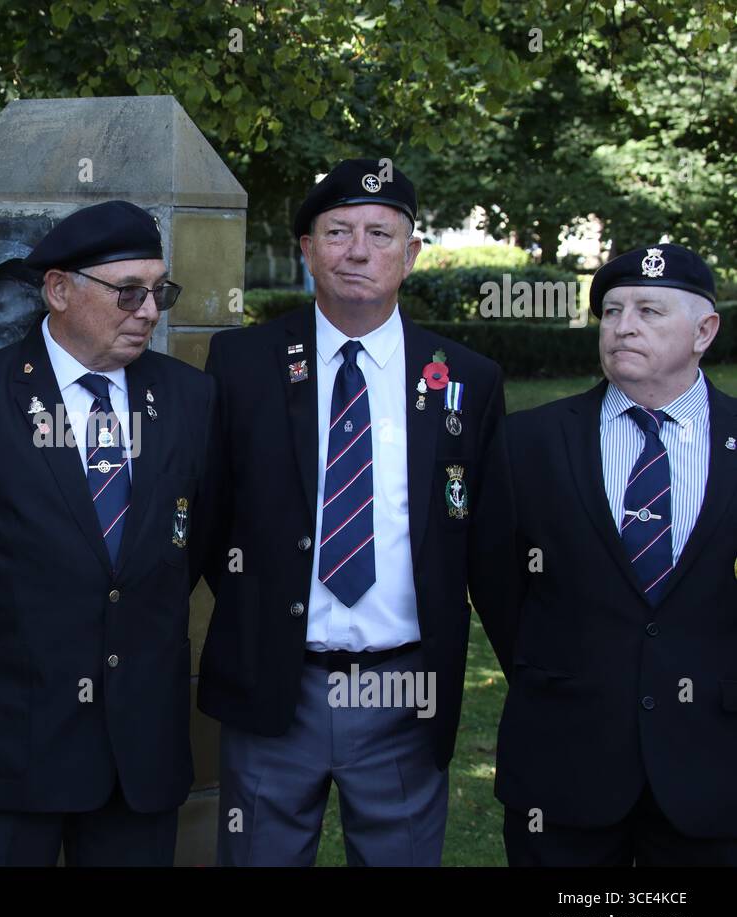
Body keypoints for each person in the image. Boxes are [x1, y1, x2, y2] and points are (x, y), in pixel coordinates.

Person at [198, 159, 506, 865]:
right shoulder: (243, 364)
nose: (357, 250)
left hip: (403, 693)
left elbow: (483, 541)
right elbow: (213, 522)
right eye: (336, 231)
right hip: (277, 687)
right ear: (307, 248)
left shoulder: (467, 378)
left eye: (379, 232)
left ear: (413, 253)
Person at [0, 200, 216, 865]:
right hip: (1, 746)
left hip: (134, 757)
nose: (148, 310)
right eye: (128, 291)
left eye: (159, 290)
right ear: (58, 290)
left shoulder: (191, 401)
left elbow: (184, 550)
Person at [476, 243, 737, 865]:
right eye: (612, 311)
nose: (623, 326)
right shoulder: (528, 442)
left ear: (705, 330)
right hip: (564, 761)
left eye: (649, 311)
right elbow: (497, 584)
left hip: (714, 765)